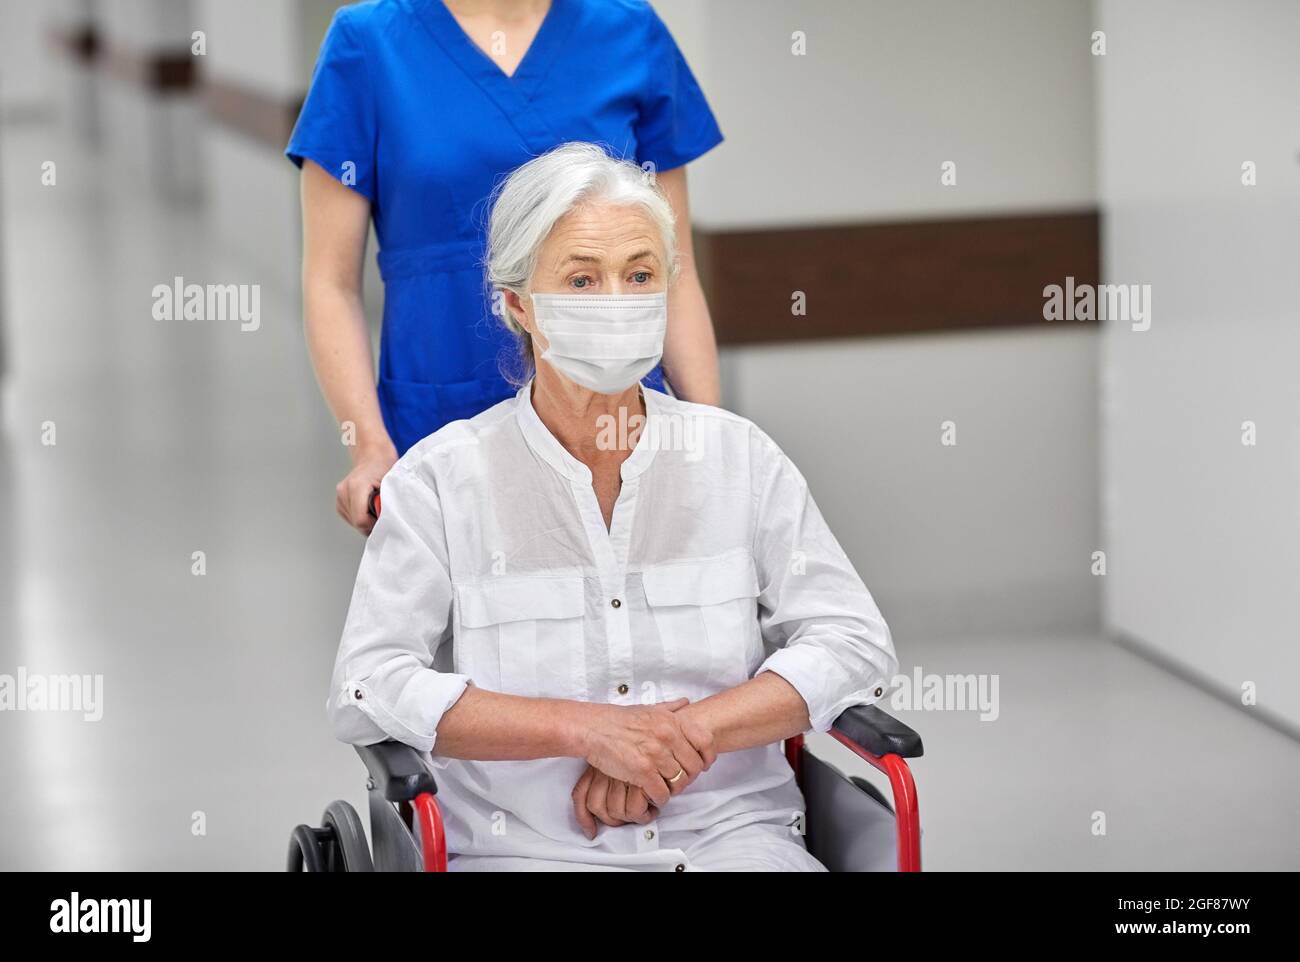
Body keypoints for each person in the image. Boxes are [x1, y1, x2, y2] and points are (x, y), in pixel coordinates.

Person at [327, 144, 898, 871]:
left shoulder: (738, 459)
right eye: (581, 279)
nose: (617, 301)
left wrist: (683, 737)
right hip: (527, 850)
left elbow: (854, 642)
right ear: (517, 304)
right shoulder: (444, 480)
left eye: (639, 275)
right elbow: (368, 685)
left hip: (732, 839)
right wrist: (584, 731)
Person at [286, 0, 724, 534]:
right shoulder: (368, 43)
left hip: (616, 418)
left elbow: (670, 272)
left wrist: (709, 434)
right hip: (443, 406)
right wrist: (370, 447)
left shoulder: (629, 32)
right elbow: (331, 284)